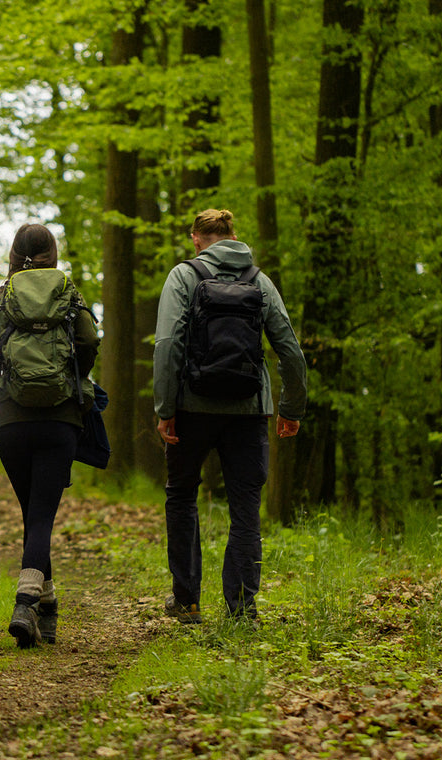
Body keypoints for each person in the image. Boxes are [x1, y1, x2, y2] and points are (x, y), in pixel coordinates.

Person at [153, 208, 307, 624]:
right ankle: (242, 610)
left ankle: (187, 602)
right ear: (233, 236)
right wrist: (290, 408)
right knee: (245, 507)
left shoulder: (184, 277)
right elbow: (289, 348)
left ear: (196, 238)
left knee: (182, 495)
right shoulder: (260, 281)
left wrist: (165, 409)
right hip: (249, 410)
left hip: (191, 407)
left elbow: (167, 344)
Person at [0, 223, 99, 648]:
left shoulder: (2, 295)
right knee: (40, 513)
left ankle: (45, 604)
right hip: (61, 418)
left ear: (14, 253)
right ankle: (30, 602)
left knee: (33, 511)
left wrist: (1, 372)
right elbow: (90, 341)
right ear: (53, 253)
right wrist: (71, 374)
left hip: (12, 418)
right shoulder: (69, 292)